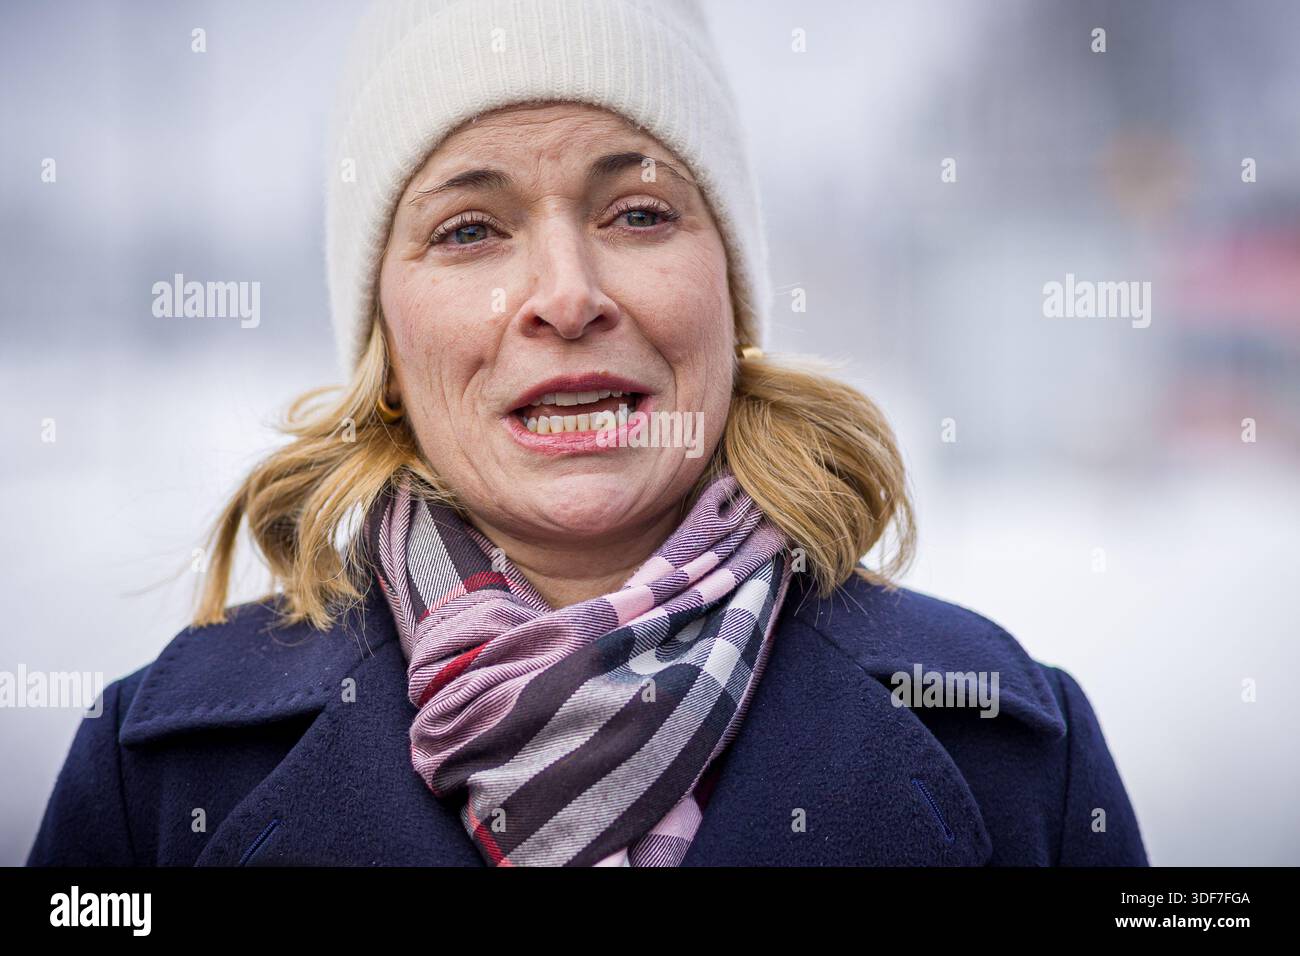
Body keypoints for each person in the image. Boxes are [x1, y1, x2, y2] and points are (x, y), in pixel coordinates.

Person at [27, 0, 1147, 867]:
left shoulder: (1011, 749)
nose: (565, 294)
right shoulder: (160, 776)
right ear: (384, 336)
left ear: (730, 288)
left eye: (639, 211)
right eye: (469, 228)